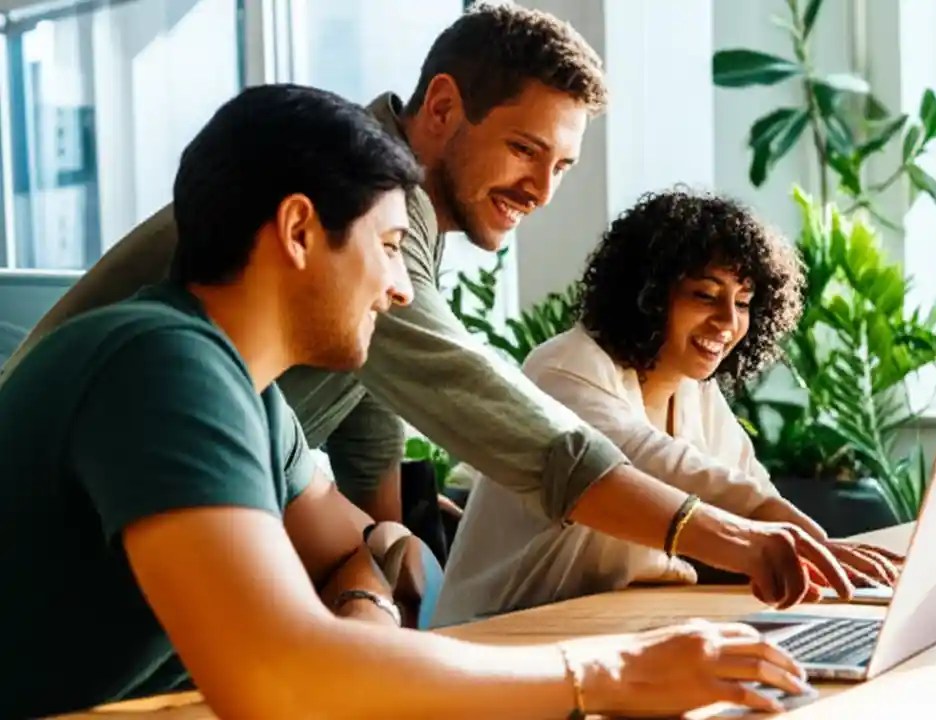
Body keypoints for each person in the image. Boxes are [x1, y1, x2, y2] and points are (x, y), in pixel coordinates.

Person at [0, 1, 867, 608]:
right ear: (444, 108)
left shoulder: (388, 258)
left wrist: (386, 553)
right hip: (63, 548)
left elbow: (368, 439)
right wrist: (734, 539)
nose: (540, 189)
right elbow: (522, 428)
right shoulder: (343, 196)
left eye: (561, 167)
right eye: (525, 149)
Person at [0, 85, 813, 720]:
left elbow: (364, 545)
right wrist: (608, 672)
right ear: (297, 231)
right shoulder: (160, 363)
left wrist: (356, 597)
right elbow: (283, 675)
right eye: (389, 248)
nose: (398, 288)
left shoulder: (251, 402)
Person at [434, 189, 905, 626]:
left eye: (743, 302)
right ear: (649, 293)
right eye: (705, 295)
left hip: (617, 623)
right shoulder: (566, 367)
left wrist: (826, 556)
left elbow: (751, 489)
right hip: (502, 632)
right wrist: (808, 541)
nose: (728, 321)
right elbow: (647, 464)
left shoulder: (695, 390)